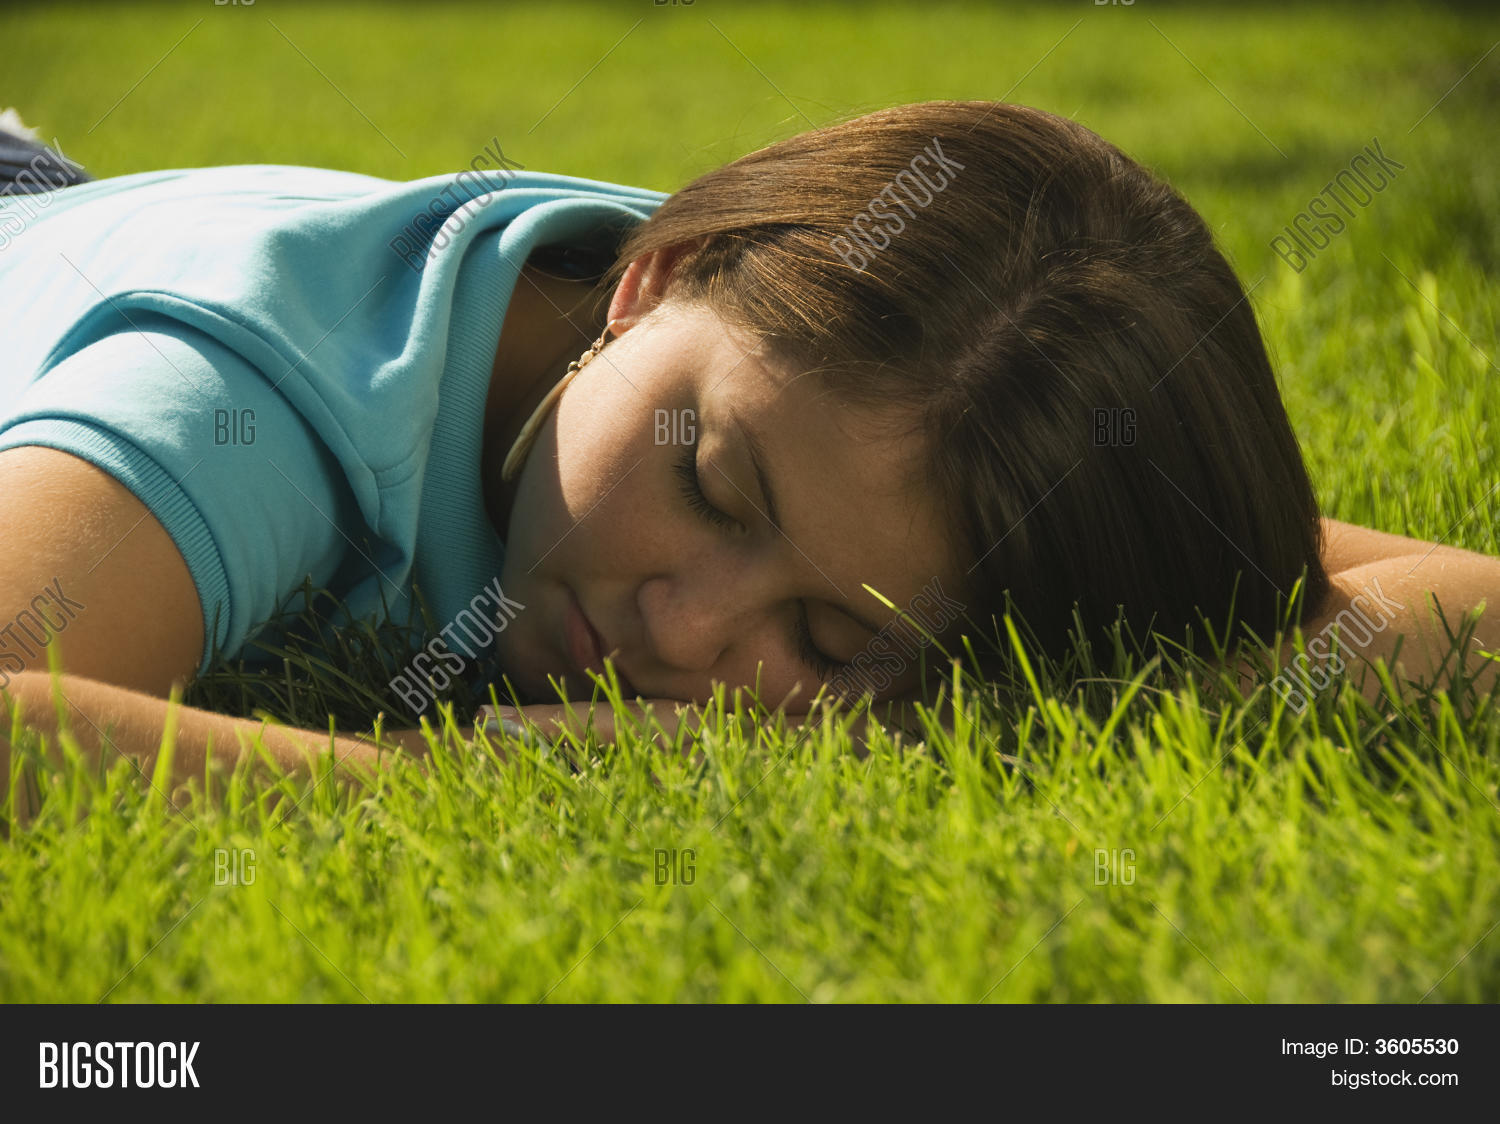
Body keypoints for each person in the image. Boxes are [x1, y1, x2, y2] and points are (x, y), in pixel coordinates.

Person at [1, 100, 1497, 817]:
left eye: (832, 634)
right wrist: (475, 782)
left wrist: (951, 723)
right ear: (650, 278)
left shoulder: (826, 352)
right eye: (712, 485)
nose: (686, 630)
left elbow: (1467, 609)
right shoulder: (254, 391)